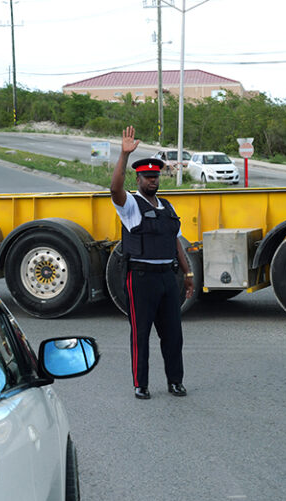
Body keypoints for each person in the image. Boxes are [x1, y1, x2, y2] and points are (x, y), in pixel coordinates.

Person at [110, 126, 194, 400]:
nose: (152, 181)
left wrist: (188, 274)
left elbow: (176, 243)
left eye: (155, 177)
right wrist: (124, 155)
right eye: (147, 177)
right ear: (138, 179)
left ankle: (175, 381)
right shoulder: (130, 206)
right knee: (141, 334)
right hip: (141, 278)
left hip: (168, 278)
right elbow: (115, 188)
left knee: (173, 335)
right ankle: (141, 384)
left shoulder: (167, 207)